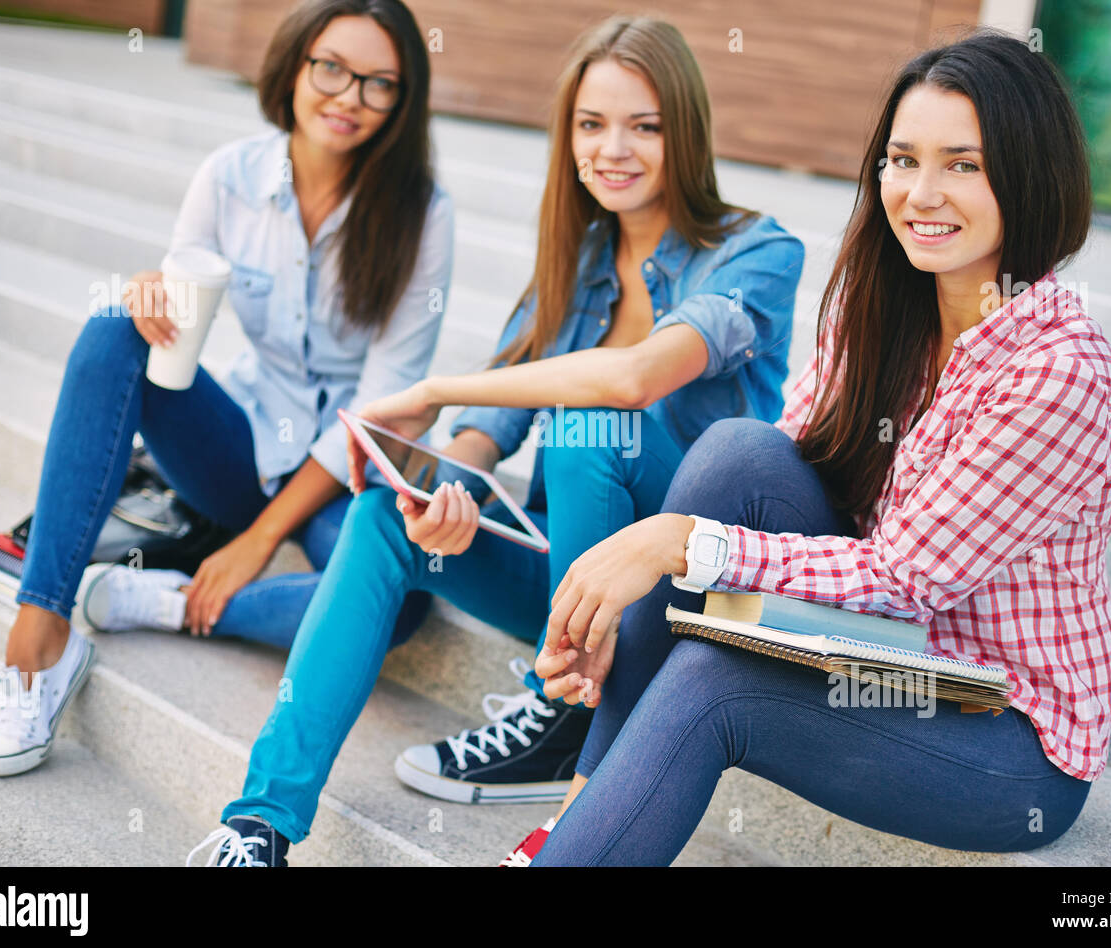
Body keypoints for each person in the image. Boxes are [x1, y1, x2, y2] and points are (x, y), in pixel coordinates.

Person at [186, 14, 804, 866]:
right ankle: (260, 824)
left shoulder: (758, 252)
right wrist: (450, 492)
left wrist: (438, 387)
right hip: (571, 594)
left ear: (685, 133)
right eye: (591, 125)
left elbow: (629, 381)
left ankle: (572, 721)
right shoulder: (577, 262)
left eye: (644, 126)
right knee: (382, 519)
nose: (613, 148)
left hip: (683, 596)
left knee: (595, 422)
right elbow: (485, 434)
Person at [517, 29, 1111, 866]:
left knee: (714, 677)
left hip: (1004, 729)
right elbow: (768, 475)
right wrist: (667, 565)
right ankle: (582, 807)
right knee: (738, 453)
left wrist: (672, 544)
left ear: (1031, 176)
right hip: (891, 654)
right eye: (902, 160)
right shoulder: (883, 307)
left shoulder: (1060, 373)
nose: (922, 192)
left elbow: (907, 581)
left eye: (963, 165)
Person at [0, 0, 452, 778]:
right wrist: (152, 293)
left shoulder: (423, 215)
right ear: (295, 66)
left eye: (379, 83)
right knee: (114, 328)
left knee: (401, 600)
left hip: (348, 476)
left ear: (404, 98)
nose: (349, 96)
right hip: (243, 445)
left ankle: (161, 602)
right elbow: (176, 312)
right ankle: (39, 635)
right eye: (331, 67)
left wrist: (257, 546)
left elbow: (379, 411)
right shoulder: (230, 177)